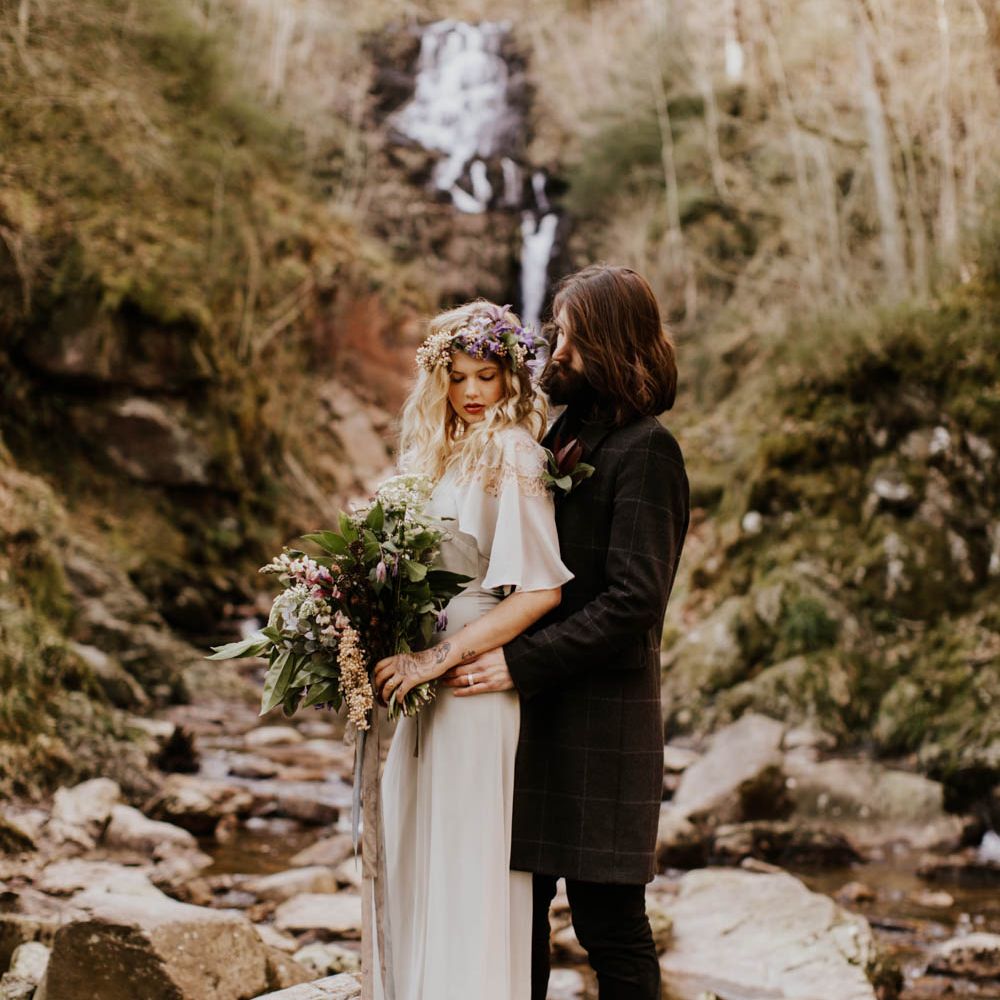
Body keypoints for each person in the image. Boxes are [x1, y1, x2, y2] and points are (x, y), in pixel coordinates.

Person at [441, 264, 690, 1000]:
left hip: (603, 730)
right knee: (520, 918)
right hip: (538, 723)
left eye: (571, 335)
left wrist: (521, 662)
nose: (556, 348)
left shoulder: (647, 449)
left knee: (609, 923)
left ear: (608, 343)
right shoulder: (565, 433)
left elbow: (634, 601)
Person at [372, 300, 574, 1000]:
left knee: (464, 859)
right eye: (456, 377)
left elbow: (539, 591)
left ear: (512, 376)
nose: (471, 392)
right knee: (415, 848)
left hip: (470, 684)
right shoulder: (440, 451)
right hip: (424, 687)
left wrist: (438, 657)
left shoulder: (515, 451)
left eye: (486, 375)